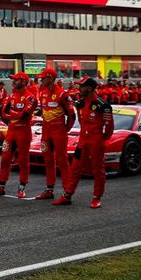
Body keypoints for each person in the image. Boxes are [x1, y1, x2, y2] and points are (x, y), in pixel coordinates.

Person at [53, 77, 114, 209]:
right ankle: (67, 195)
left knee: (98, 170)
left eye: (81, 86)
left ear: (90, 88)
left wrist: (100, 139)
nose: (78, 89)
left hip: (96, 141)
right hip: (82, 141)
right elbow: (80, 121)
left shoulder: (103, 105)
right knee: (75, 168)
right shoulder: (79, 103)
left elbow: (109, 128)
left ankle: (97, 197)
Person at [0, 72, 37, 198]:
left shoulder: (30, 98)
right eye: (13, 79)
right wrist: (17, 113)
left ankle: (22, 187)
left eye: (16, 80)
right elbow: (4, 113)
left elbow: (25, 115)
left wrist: (14, 113)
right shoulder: (11, 96)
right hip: (11, 132)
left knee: (23, 160)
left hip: (23, 132)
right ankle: (1, 187)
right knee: (4, 159)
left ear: (23, 81)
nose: (13, 82)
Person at [34, 68, 76, 200]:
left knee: (62, 161)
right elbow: (44, 110)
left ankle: (67, 191)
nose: (40, 80)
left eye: (43, 78)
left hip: (59, 131)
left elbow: (72, 115)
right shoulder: (42, 92)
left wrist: (65, 129)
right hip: (46, 131)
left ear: (51, 79)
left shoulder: (63, 94)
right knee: (48, 160)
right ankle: (49, 189)